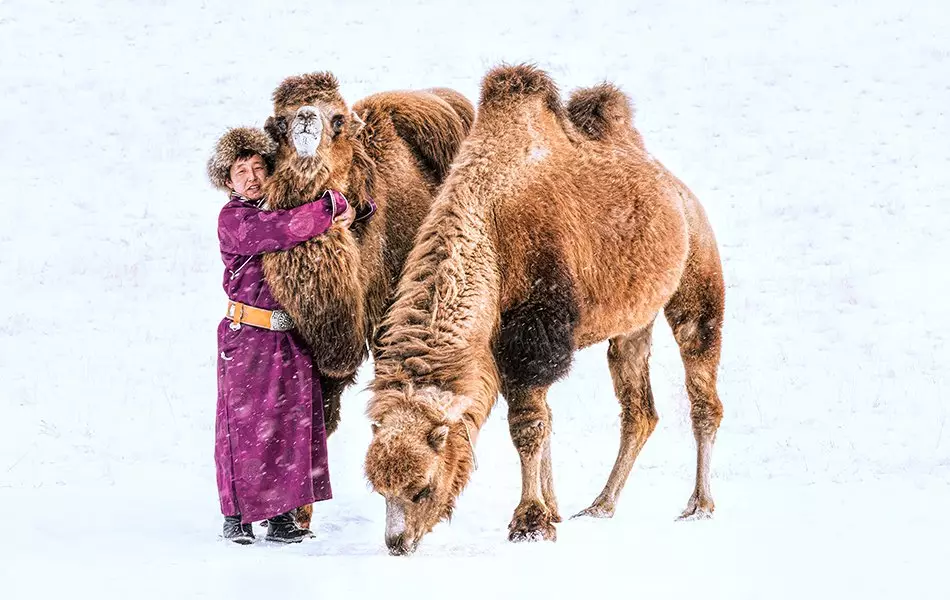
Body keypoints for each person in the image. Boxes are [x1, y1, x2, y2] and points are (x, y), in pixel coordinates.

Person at [206, 127, 355, 544]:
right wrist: (332, 205)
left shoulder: (280, 209)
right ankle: (236, 516)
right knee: (244, 425)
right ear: (227, 180)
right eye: (241, 171)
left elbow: (324, 216)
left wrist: (351, 208)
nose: (252, 177)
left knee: (290, 426)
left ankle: (283, 517)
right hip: (248, 336)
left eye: (258, 168)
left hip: (289, 337)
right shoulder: (236, 219)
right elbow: (285, 228)